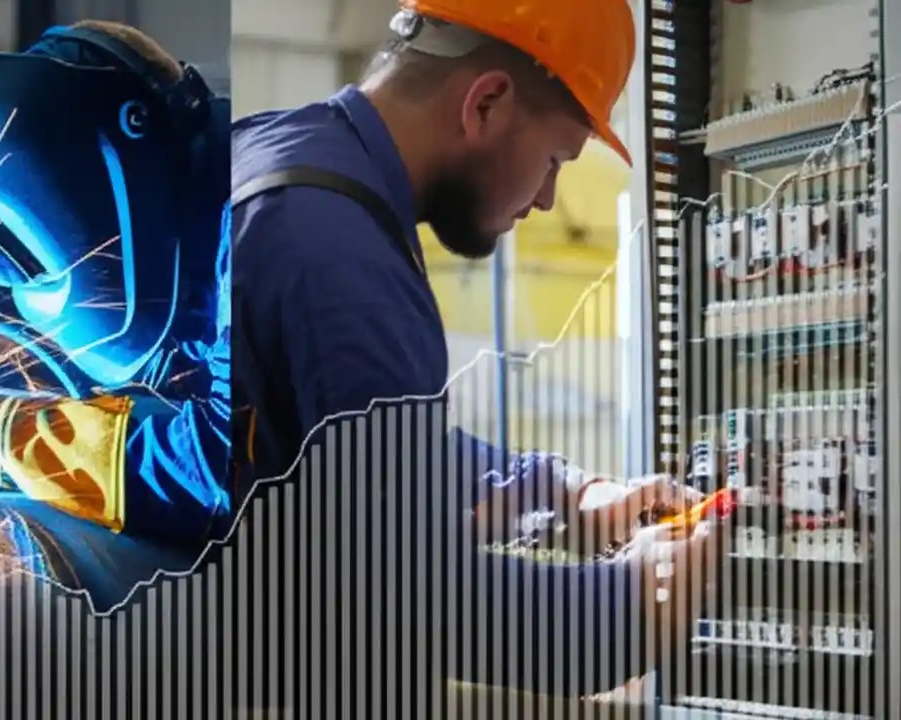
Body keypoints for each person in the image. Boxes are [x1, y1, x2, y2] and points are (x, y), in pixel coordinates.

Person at [231, 0, 725, 697]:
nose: (550, 198)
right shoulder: (346, 263)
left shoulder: (275, 158)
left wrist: (565, 494)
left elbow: (364, 447)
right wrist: (638, 605)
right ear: (487, 102)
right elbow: (408, 601)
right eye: (556, 159)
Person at [0, 21, 236, 556]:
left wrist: (12, 440)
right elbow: (182, 375)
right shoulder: (194, 216)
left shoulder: (256, 227)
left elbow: (223, 461)